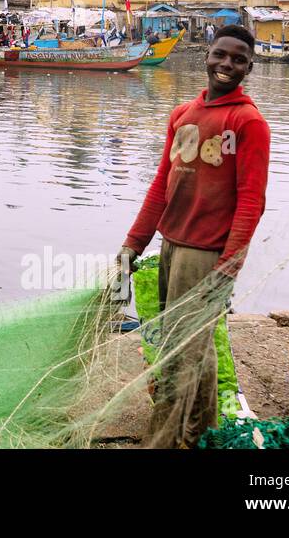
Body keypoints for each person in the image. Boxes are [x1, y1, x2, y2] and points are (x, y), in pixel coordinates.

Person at [118, 24, 271, 448]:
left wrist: (229, 265)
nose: (227, 65)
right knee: (190, 348)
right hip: (171, 246)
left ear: (249, 67)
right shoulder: (182, 115)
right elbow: (161, 186)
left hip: (206, 255)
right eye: (221, 55)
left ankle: (162, 442)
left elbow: (251, 201)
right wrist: (134, 244)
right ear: (208, 55)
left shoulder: (248, 122)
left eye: (238, 59)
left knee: (179, 356)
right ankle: (201, 435)